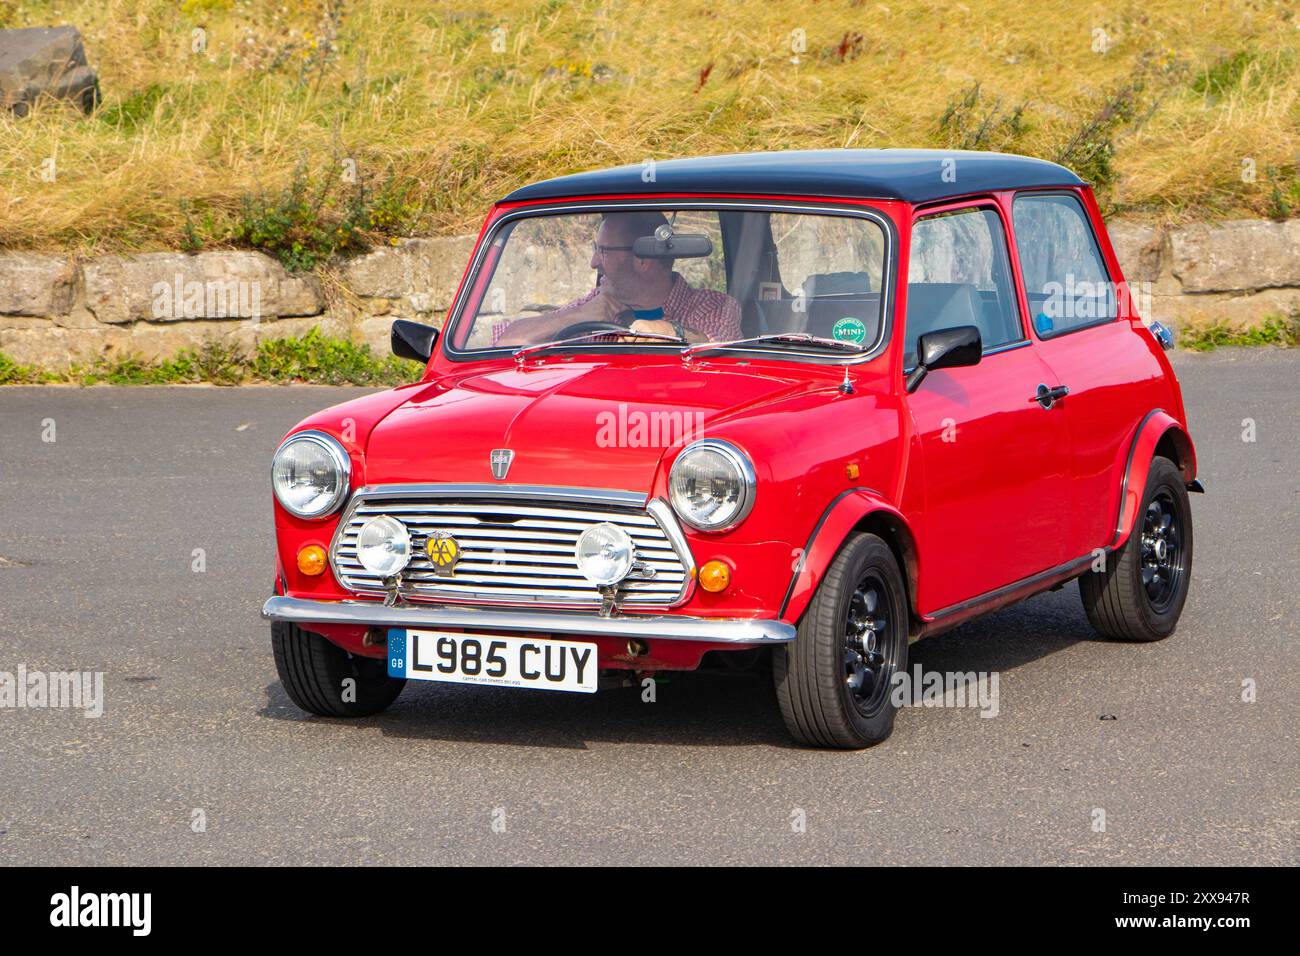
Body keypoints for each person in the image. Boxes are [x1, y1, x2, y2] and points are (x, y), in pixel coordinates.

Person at [492, 211, 742, 347]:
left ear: (643, 260)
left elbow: (720, 346)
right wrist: (578, 316)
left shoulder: (711, 306)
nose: (593, 263)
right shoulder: (596, 303)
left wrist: (669, 332)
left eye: (604, 251)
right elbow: (505, 343)